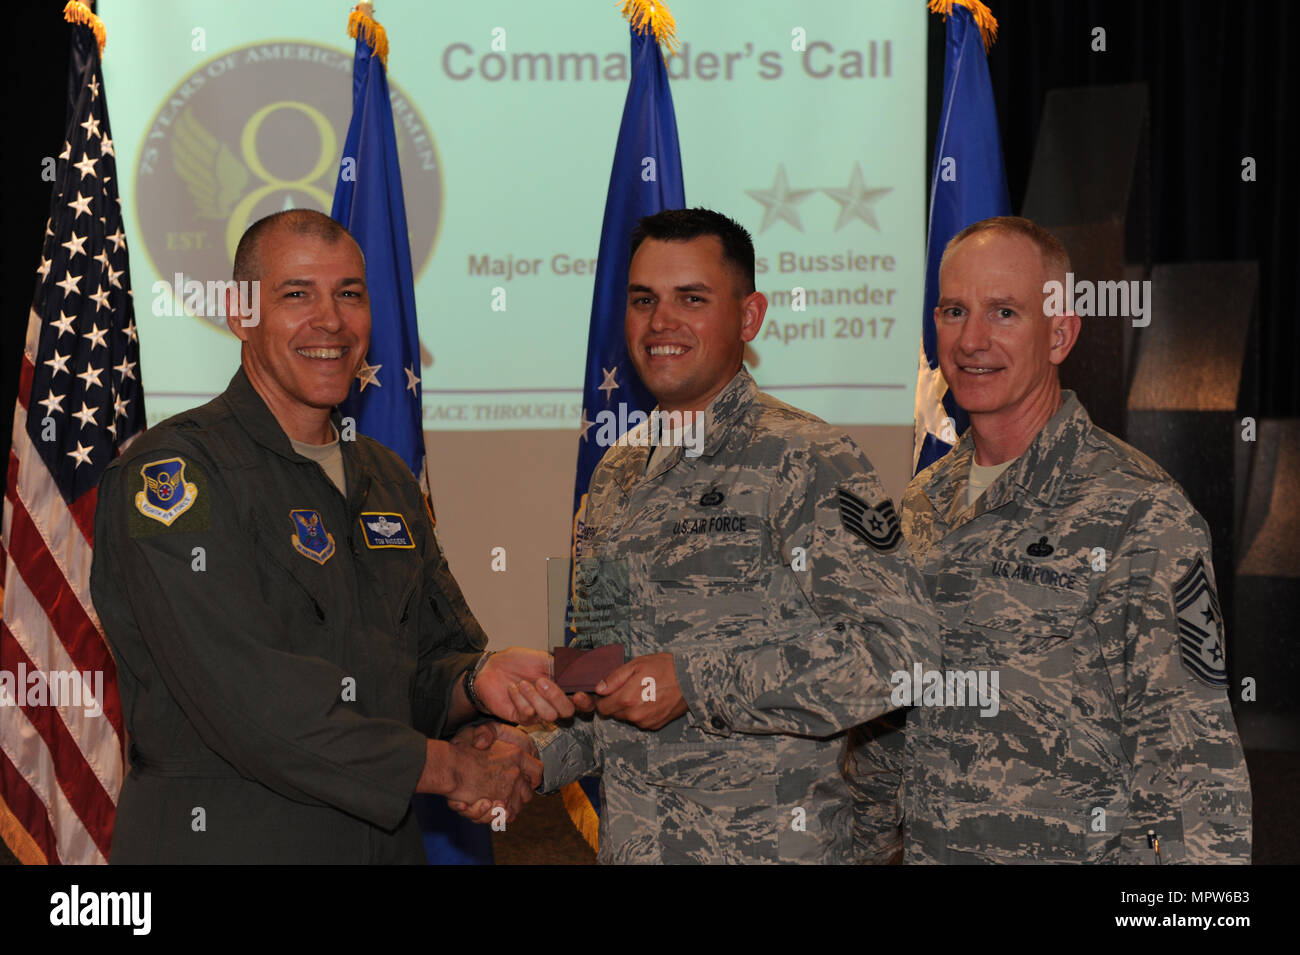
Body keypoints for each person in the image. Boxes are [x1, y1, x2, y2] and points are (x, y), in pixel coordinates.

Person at [457, 208, 939, 863]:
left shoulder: (812, 458)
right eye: (643, 300)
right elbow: (600, 683)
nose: (662, 322)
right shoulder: (615, 477)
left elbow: (902, 654)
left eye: (692, 299)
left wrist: (697, 680)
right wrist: (531, 755)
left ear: (749, 316)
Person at [90, 209, 571, 863]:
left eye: (350, 293)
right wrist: (453, 769)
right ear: (241, 312)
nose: (331, 320)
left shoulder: (385, 478)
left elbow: (419, 670)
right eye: (297, 294)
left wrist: (476, 683)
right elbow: (254, 706)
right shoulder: (176, 476)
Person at [850, 216, 1252, 863]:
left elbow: (1192, 767)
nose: (971, 339)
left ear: (1060, 332)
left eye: (1003, 312)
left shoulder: (1139, 510)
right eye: (955, 310)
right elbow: (890, 727)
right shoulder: (920, 504)